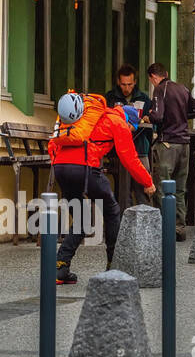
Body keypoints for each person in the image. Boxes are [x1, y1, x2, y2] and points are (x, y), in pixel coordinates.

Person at [48, 92, 155, 284]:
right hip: (85, 167)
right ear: (129, 121)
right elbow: (129, 158)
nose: (130, 132)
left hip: (61, 167)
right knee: (112, 210)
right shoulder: (118, 122)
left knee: (82, 218)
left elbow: (53, 143)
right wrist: (148, 182)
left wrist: (60, 165)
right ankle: (114, 265)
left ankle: (60, 267)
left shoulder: (87, 119)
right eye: (132, 129)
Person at [147, 62, 192, 241]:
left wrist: (149, 114)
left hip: (167, 143)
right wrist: (179, 116)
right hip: (185, 144)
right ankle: (179, 229)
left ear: (153, 77)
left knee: (163, 187)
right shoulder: (182, 89)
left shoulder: (159, 89)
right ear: (166, 73)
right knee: (180, 189)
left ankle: (165, 228)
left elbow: (157, 116)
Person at [103, 64, 153, 207]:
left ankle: (145, 227)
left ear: (135, 82)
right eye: (123, 84)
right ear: (119, 82)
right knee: (123, 194)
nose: (126, 88)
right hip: (119, 152)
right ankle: (123, 227)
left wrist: (145, 120)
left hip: (140, 149)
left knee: (143, 191)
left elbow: (151, 120)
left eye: (129, 84)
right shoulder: (111, 97)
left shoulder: (144, 98)